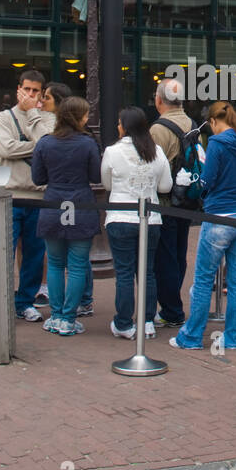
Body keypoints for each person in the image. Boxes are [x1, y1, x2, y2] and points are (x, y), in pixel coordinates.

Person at [170, 102, 236, 351]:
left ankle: (191, 337)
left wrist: (196, 185)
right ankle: (233, 338)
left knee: (204, 278)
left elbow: (208, 179)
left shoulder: (218, 144)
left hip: (220, 213)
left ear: (214, 121)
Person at [31, 97, 101, 335]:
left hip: (53, 203)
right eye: (85, 115)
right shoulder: (88, 143)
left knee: (55, 263)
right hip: (81, 204)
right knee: (78, 265)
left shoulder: (45, 142)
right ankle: (69, 318)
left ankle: (57, 315)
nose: (87, 118)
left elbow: (38, 178)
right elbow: (95, 175)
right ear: (77, 117)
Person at [102, 106, 172, 339]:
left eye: (119, 123)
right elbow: (165, 187)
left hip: (120, 216)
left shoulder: (112, 152)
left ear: (125, 126)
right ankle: (148, 320)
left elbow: (107, 184)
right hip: (150, 217)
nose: (117, 126)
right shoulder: (156, 151)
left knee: (124, 273)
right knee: (147, 272)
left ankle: (123, 322)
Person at [0, 70, 56, 322]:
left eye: (35, 91)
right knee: (3, 251)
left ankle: (25, 302)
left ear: (41, 93)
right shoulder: (2, 117)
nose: (30, 95)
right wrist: (37, 145)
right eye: (26, 89)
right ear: (18, 88)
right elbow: (5, 148)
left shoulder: (48, 118)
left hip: (39, 196)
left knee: (34, 252)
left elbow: (48, 142)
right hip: (10, 194)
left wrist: (32, 115)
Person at [149, 77, 193, 327]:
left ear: (158, 100)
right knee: (179, 252)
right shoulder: (192, 123)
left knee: (164, 256)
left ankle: (171, 309)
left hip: (165, 201)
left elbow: (152, 167)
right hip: (187, 201)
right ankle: (173, 304)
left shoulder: (158, 129)